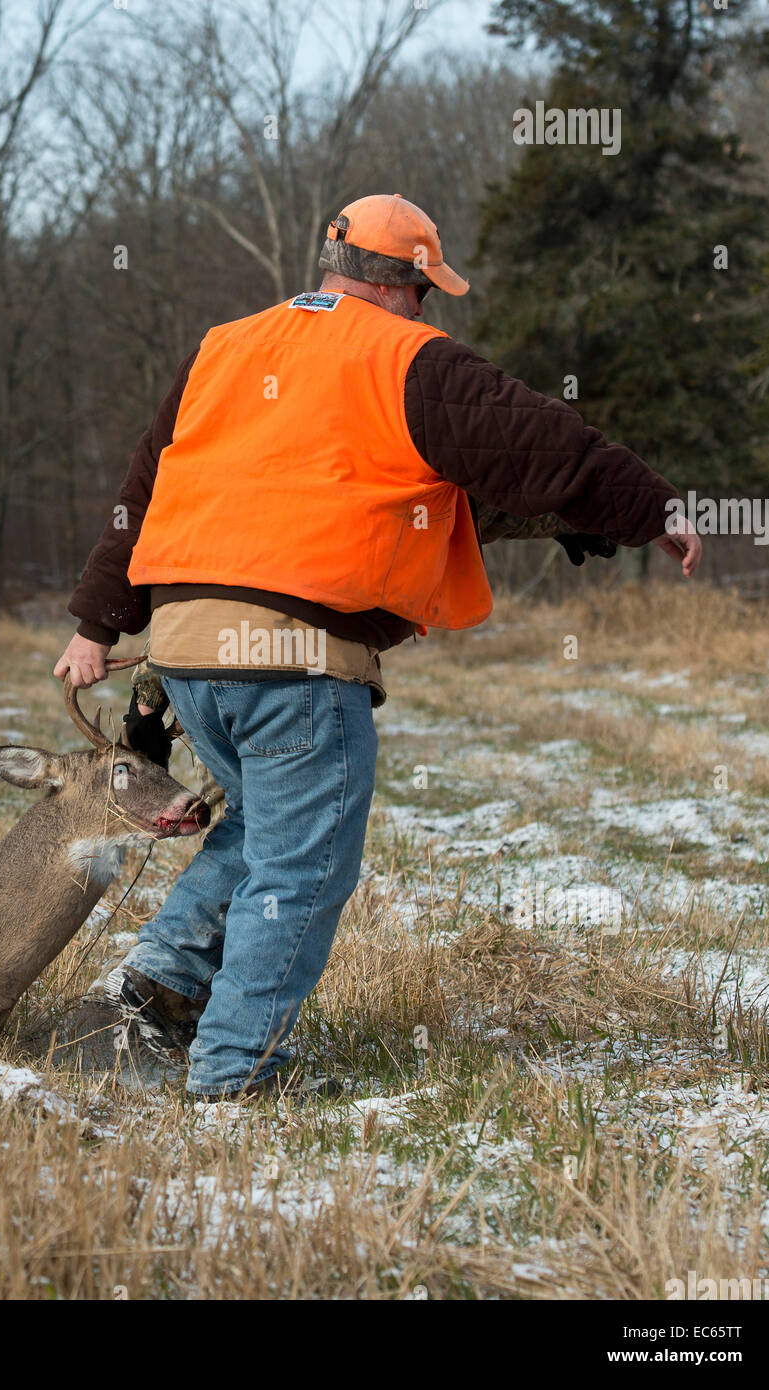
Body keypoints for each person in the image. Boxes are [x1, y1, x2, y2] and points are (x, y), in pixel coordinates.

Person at [55, 193, 701, 1102]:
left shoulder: (225, 347)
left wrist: (96, 622)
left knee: (262, 827)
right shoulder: (410, 358)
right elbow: (545, 444)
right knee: (306, 863)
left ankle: (147, 990)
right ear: (409, 287)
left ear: (333, 268)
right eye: (428, 294)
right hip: (295, 663)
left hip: (188, 652)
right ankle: (235, 1073)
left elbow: (145, 487)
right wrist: (655, 507)